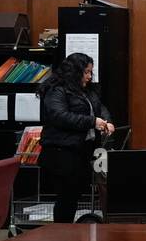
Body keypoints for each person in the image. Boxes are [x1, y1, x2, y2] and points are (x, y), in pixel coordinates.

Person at [38, 52, 113, 224]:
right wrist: (93, 122)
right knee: (66, 197)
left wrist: (107, 122)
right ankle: (61, 235)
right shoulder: (56, 90)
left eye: (90, 72)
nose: (88, 76)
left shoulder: (87, 91)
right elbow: (60, 116)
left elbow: (100, 108)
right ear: (74, 72)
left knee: (73, 195)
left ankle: (66, 235)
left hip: (81, 151)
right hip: (61, 152)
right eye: (85, 72)